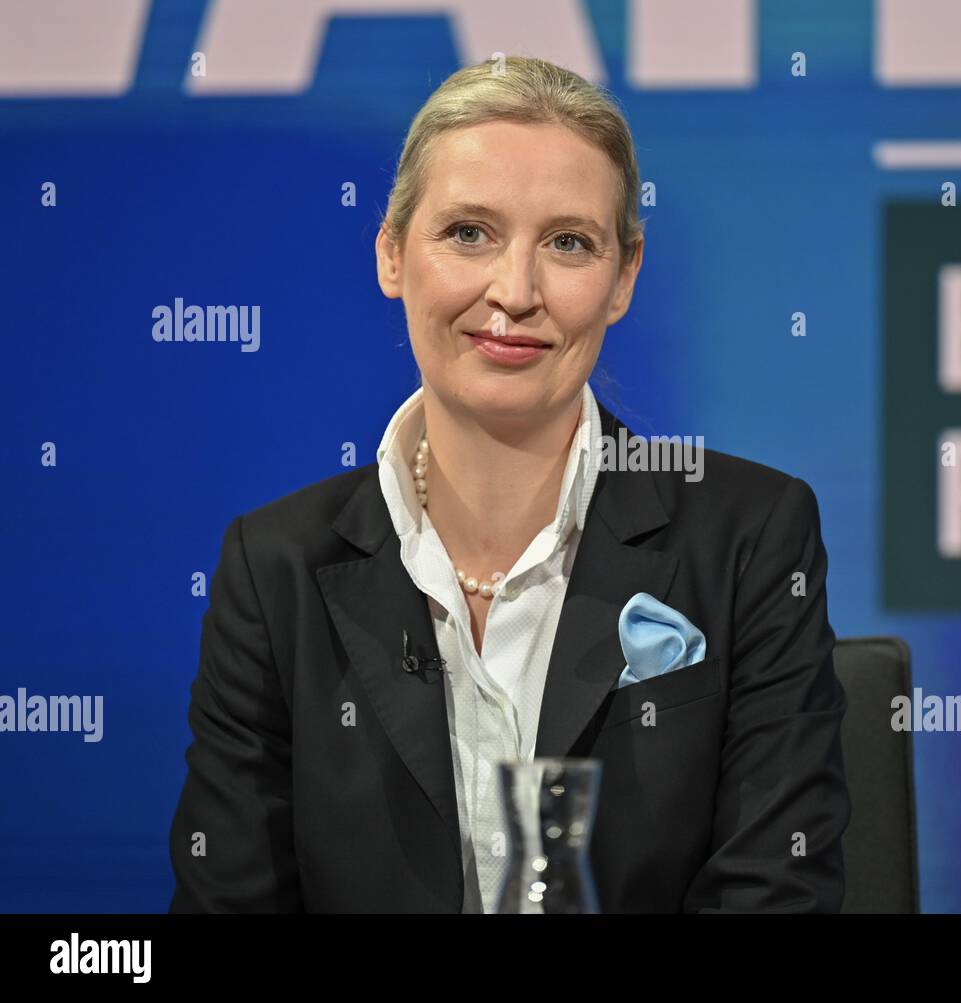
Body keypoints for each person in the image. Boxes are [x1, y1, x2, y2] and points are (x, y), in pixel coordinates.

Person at [168, 54, 850, 913]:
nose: (515, 292)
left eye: (568, 242)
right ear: (390, 253)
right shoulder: (274, 569)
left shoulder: (752, 536)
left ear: (624, 277)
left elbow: (776, 896)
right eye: (468, 233)